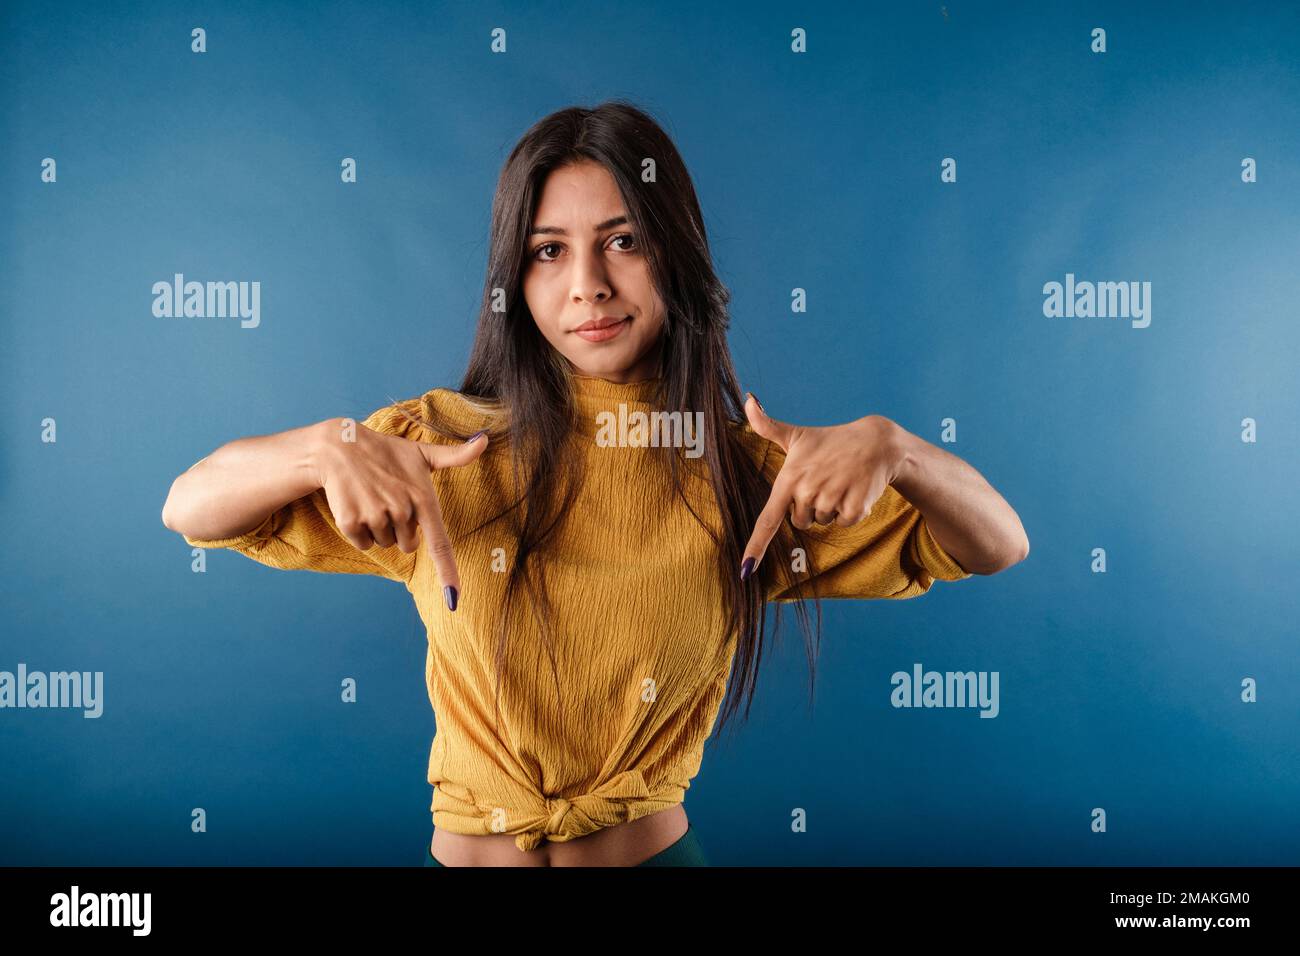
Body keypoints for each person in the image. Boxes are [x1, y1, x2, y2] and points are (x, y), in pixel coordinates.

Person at [161, 100, 1029, 867]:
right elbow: (191, 507)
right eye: (549, 251)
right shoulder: (436, 447)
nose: (589, 285)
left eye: (624, 241)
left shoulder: (746, 480)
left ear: (674, 255)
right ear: (516, 276)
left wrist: (899, 448)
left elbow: (997, 542)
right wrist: (322, 448)